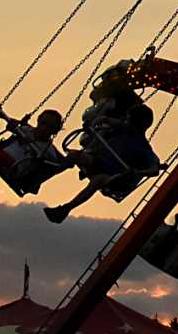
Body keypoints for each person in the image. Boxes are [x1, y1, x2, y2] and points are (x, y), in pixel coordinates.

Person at [45, 66, 159, 223]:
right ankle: (49, 170)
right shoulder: (121, 129)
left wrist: (138, 171)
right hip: (99, 162)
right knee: (75, 155)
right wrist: (98, 120)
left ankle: (65, 209)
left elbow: (154, 169)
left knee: (99, 180)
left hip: (115, 177)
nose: (125, 121)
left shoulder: (142, 146)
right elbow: (108, 120)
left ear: (137, 125)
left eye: (128, 120)